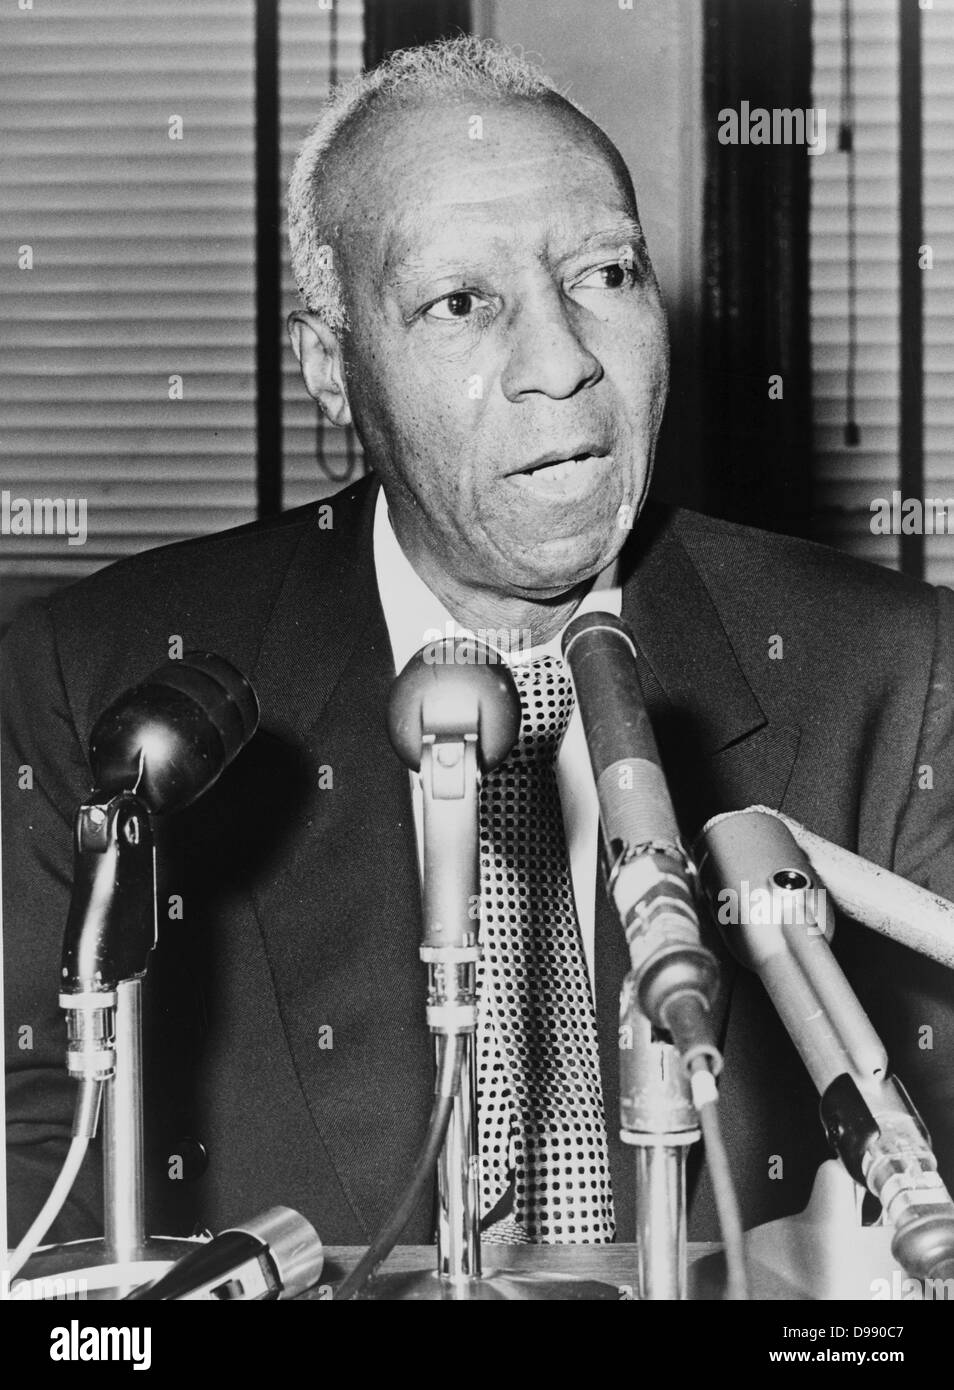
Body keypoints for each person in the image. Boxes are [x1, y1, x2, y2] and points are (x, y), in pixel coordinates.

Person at [4, 36, 954, 1256]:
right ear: (328, 362)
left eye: (607, 273)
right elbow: (38, 1180)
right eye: (462, 303)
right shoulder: (103, 682)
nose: (563, 363)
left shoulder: (895, 673)